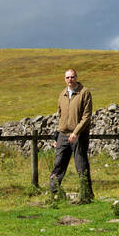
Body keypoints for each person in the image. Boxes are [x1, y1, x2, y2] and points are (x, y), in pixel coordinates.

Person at [48, 68, 94, 204]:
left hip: (79, 134)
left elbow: (86, 116)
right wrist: (57, 136)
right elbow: (60, 116)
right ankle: (53, 194)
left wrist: (76, 132)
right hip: (63, 134)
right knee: (58, 164)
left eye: (72, 77)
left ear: (76, 77)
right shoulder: (62, 94)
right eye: (67, 77)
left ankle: (87, 195)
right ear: (64, 79)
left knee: (81, 164)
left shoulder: (84, 92)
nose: (70, 80)